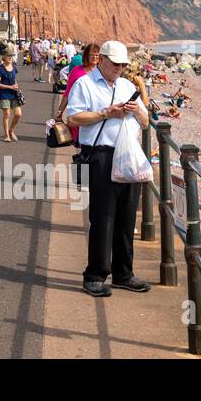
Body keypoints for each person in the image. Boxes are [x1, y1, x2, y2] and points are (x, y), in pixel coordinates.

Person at [66, 40, 151, 297]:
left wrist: (136, 111)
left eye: (123, 64)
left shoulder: (127, 85)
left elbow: (146, 123)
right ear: (101, 59)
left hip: (127, 154)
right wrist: (106, 113)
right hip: (101, 154)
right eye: (116, 64)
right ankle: (94, 275)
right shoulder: (85, 84)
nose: (120, 69)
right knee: (103, 217)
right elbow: (72, 118)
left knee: (127, 217)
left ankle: (123, 273)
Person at [0, 50, 22, 142]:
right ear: (4, 57)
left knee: (18, 114)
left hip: (14, 94)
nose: (10, 58)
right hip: (4, 94)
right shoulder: (0, 69)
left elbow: (14, 79)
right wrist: (10, 87)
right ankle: (7, 135)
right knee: (7, 114)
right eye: (8, 56)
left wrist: (16, 87)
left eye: (11, 56)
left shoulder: (14, 67)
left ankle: (11, 130)